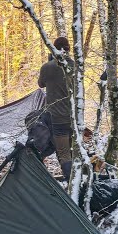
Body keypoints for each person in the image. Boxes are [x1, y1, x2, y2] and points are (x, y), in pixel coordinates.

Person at [38, 36, 74, 180]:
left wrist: (49, 63)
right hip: (74, 118)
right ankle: (76, 180)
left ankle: (72, 183)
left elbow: (41, 84)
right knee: (72, 151)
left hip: (58, 118)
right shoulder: (75, 65)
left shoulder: (47, 67)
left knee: (63, 153)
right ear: (69, 49)